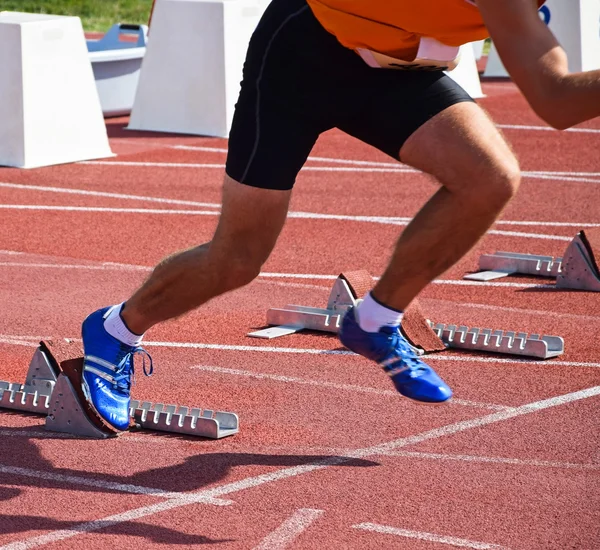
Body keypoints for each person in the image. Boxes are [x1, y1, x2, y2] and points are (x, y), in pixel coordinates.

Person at [80, 0, 600, 430]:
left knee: (490, 177)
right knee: (237, 259)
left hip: (397, 68)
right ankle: (116, 330)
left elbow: (554, 96)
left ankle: (374, 322)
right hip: (303, 53)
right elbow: (555, 99)